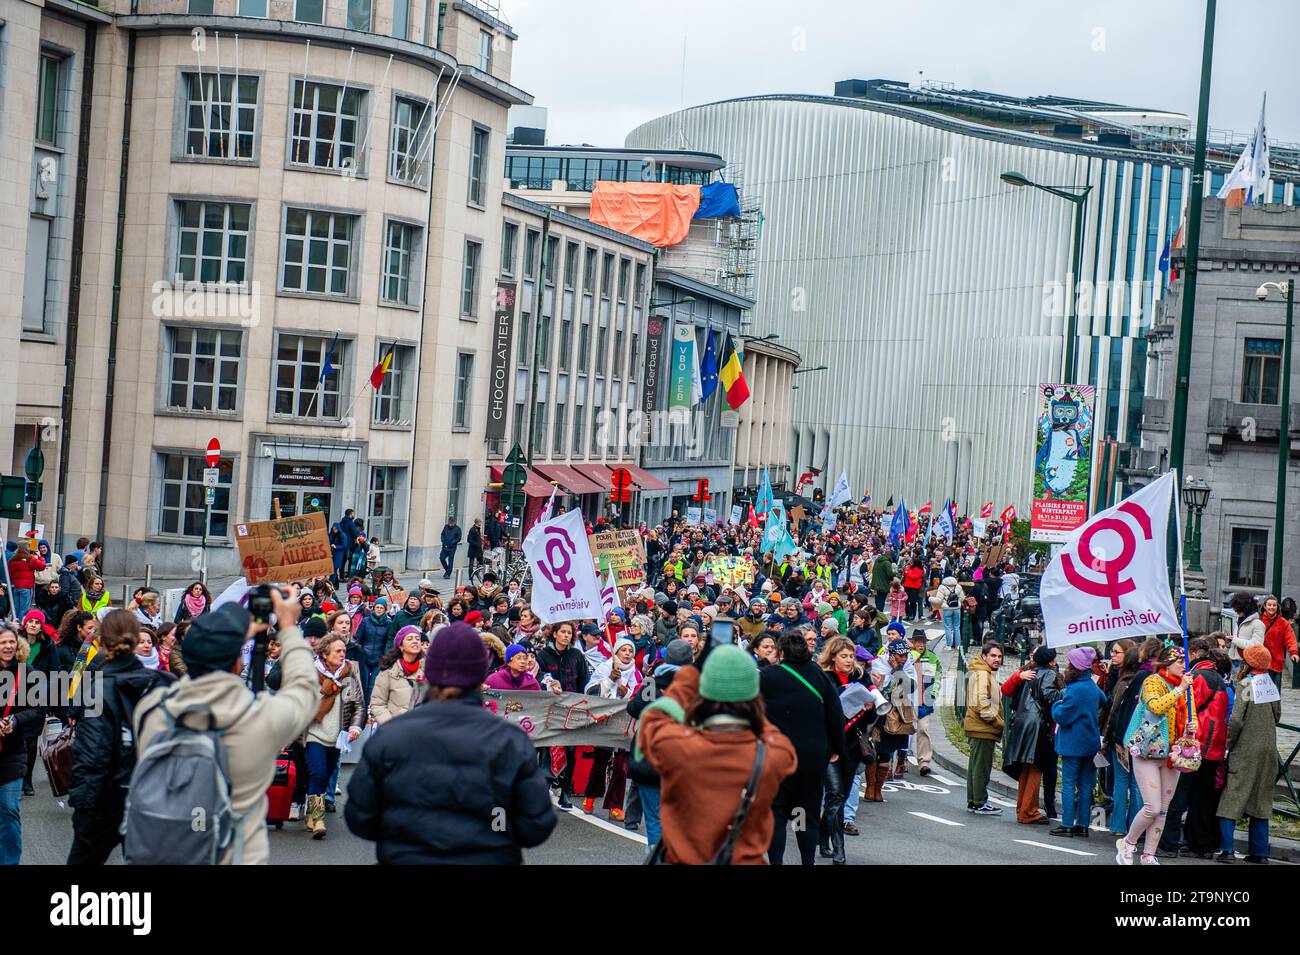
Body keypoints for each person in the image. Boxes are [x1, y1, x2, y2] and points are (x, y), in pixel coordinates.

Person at [345, 622, 558, 863]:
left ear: (432, 671)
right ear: (480, 674)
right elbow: (535, 823)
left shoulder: (393, 736)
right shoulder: (509, 740)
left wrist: (403, 830)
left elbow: (360, 816)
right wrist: (496, 828)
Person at [133, 589, 317, 864]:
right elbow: (305, 690)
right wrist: (289, 628)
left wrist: (226, 642)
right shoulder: (257, 717)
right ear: (237, 662)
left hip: (168, 849)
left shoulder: (152, 709)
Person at [637, 644, 797, 865]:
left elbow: (653, 717)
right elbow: (773, 734)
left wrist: (686, 679)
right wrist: (752, 704)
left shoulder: (676, 745)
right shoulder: (775, 753)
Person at [66, 609, 175, 864]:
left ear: (102, 642)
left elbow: (94, 753)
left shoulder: (99, 689)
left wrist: (82, 805)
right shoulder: (165, 683)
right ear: (136, 639)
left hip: (107, 797)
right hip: (155, 794)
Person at [760, 630, 844, 865]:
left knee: (777, 813)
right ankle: (807, 861)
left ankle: (776, 861)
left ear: (781, 652)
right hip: (811, 756)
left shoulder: (769, 676)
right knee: (804, 812)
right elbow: (835, 714)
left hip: (777, 755)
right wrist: (836, 747)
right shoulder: (819, 676)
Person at [1116, 645, 1194, 865]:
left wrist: (1192, 725)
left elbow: (1192, 713)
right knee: (1152, 807)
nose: (1184, 666)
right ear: (1167, 663)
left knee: (1163, 810)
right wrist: (1180, 690)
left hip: (1172, 754)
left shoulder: (1186, 686)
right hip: (1147, 752)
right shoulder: (1152, 682)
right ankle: (1128, 843)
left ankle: (1149, 854)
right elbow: (1156, 707)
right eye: (1180, 662)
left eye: (1185, 662)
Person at [1215, 644, 1280, 864]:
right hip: (1268, 749)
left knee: (1232, 798)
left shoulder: (1245, 685)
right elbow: (1278, 715)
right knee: (1261, 801)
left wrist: (1229, 744)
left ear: (1249, 662)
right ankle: (1260, 853)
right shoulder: (1270, 685)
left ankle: (1227, 850)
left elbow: (1235, 720)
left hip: (1245, 749)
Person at [817, 635, 874, 864]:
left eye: (851, 656)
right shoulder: (824, 678)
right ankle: (839, 850)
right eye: (844, 656)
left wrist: (869, 708)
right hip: (829, 745)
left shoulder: (861, 676)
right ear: (833, 657)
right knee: (835, 795)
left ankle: (823, 834)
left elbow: (870, 717)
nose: (849, 660)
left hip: (852, 745)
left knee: (840, 796)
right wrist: (843, 693)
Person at [302, 633, 364, 835]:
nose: (342, 654)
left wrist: (355, 727)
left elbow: (358, 705)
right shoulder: (310, 673)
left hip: (337, 736)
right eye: (338, 651)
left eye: (344, 650)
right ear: (325, 654)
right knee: (318, 773)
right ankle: (318, 819)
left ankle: (310, 811)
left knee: (326, 775)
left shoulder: (349, 673)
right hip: (313, 732)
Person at [0, 626, 46, 864]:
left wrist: (15, 720)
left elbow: (38, 709)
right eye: (3, 642)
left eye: (11, 642)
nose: (8, 646)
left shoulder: (27, 672)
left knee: (9, 809)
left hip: (13, 753)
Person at [1049, 646, 1106, 838]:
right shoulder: (1091, 685)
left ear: (1076, 667)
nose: (1067, 665)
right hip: (1090, 741)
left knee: (1068, 783)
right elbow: (1103, 700)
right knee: (1085, 785)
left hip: (1073, 743)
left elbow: (1062, 716)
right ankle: (1082, 824)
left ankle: (1066, 823)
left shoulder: (1074, 689)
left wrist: (1057, 704)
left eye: (1070, 663)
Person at [963, 640, 1006, 814]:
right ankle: (979, 802)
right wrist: (998, 722)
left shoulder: (982, 671)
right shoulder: (982, 674)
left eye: (999, 656)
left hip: (979, 728)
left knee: (976, 767)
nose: (997, 659)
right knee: (981, 768)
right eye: (993, 656)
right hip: (983, 729)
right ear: (984, 656)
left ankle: (974, 801)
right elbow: (981, 704)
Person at [369, 627, 426, 724]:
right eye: (410, 639)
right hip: (396, 728)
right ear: (401, 646)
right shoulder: (388, 672)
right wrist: (391, 725)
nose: (415, 641)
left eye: (417, 639)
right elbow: (378, 704)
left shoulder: (427, 670)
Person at [934, 575, 964, 650]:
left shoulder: (942, 587)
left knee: (948, 627)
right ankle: (958, 645)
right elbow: (962, 598)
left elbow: (939, 600)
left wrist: (931, 599)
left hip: (947, 608)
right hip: (957, 608)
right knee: (956, 627)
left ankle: (948, 646)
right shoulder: (958, 586)